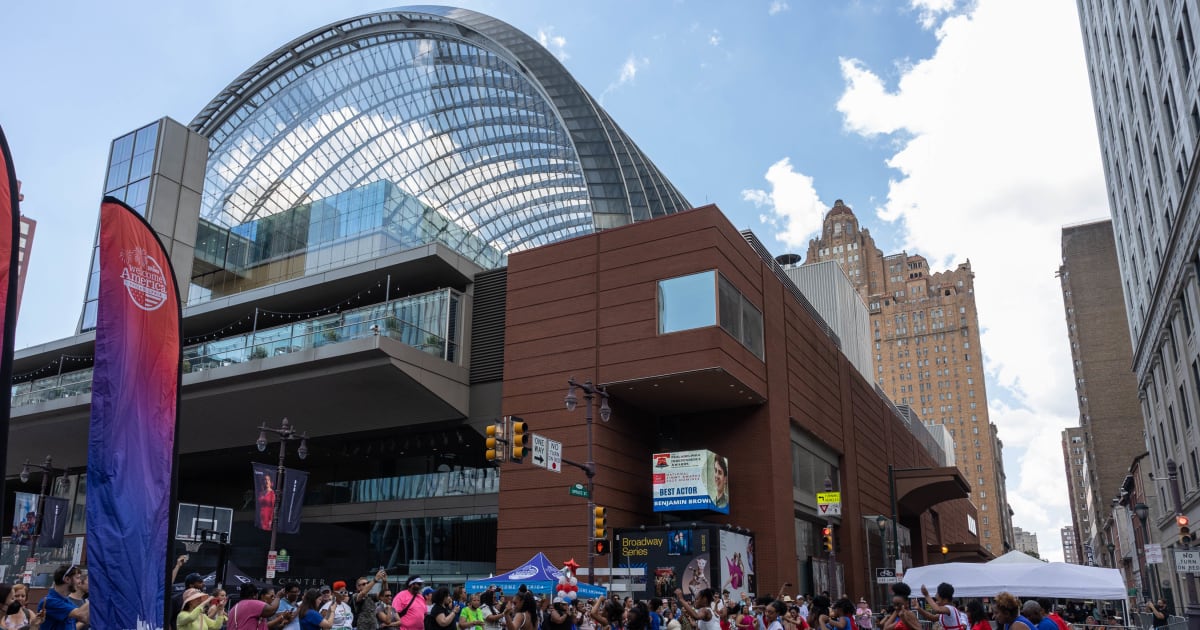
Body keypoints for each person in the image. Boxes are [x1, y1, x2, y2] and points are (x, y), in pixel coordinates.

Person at [38, 565, 89, 630]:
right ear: (67, 579)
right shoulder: (50, 601)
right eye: (77, 578)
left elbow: (85, 618)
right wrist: (96, 595)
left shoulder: (67, 601)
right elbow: (80, 614)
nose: (79, 582)